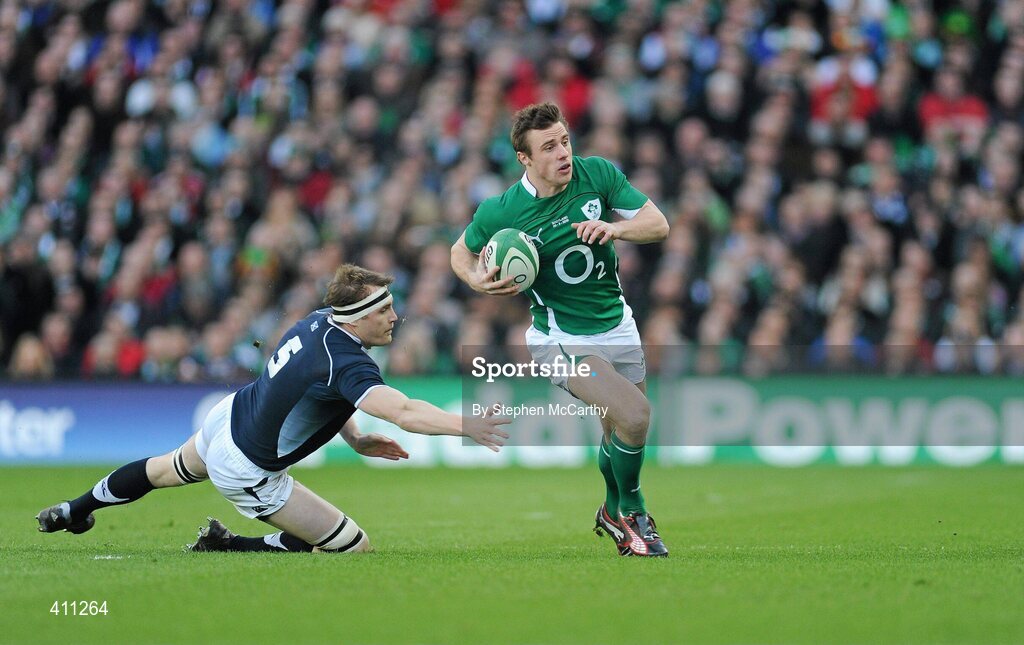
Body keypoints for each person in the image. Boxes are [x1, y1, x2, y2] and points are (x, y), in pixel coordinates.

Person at [37, 264, 510, 554]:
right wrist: (466, 423)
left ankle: (73, 510)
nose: (394, 317)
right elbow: (404, 412)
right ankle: (228, 545)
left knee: (162, 470)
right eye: (384, 310)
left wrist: (355, 437)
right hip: (248, 466)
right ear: (357, 317)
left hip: (229, 416)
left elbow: (316, 389)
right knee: (351, 545)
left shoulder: (318, 321)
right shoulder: (346, 360)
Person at [450, 102, 670, 557]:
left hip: (617, 324)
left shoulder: (598, 175)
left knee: (619, 432)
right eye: (548, 147)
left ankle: (611, 513)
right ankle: (633, 513)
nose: (563, 153)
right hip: (561, 342)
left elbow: (658, 223)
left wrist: (614, 228)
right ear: (525, 159)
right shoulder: (501, 211)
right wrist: (475, 279)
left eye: (565, 141)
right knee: (636, 416)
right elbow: (460, 250)